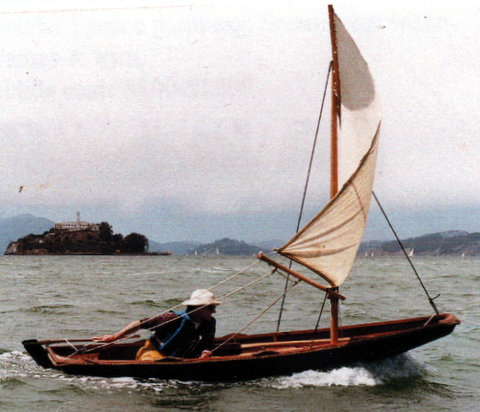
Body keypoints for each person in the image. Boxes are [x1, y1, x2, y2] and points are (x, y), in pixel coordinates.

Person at [93, 289, 221, 360]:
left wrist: (206, 352)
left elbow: (207, 344)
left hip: (179, 358)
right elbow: (140, 324)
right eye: (210, 308)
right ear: (198, 308)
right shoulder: (172, 318)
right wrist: (116, 336)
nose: (214, 311)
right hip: (153, 353)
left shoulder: (210, 323)